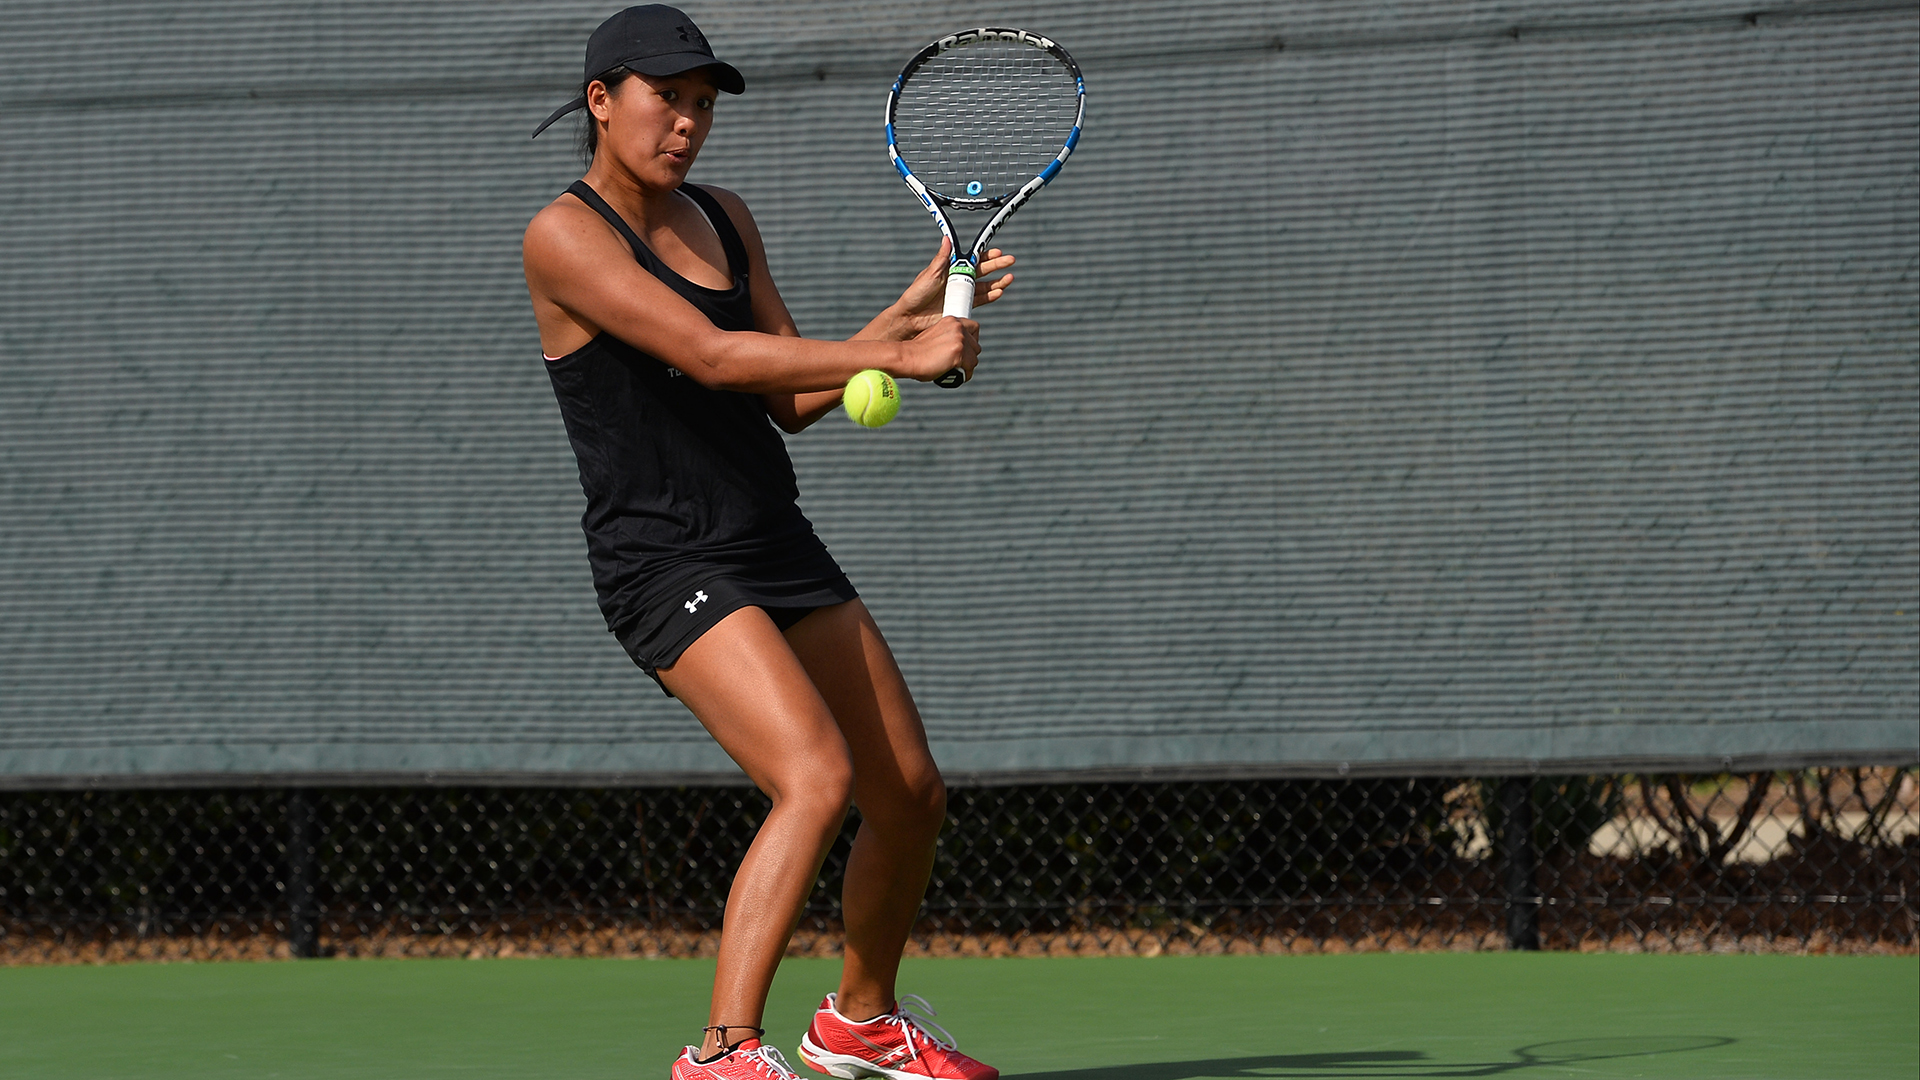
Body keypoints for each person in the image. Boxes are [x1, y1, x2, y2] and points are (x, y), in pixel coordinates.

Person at [522, 8, 1010, 1079]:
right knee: (814, 776)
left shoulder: (726, 217)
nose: (688, 122)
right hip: (664, 560)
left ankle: (861, 1024)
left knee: (912, 793)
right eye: (668, 98)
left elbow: (785, 390)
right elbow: (707, 354)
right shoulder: (562, 235)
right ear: (603, 100)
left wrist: (903, 323)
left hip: (766, 535)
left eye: (702, 103)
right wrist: (902, 356)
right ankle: (722, 1052)